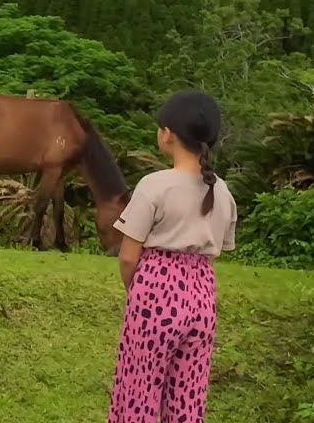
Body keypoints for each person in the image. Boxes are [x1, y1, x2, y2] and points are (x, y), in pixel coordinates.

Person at [106, 90, 238, 423]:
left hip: (155, 291)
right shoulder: (222, 190)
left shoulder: (154, 185)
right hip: (202, 294)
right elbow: (218, 247)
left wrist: (137, 292)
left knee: (139, 390)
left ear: (167, 133)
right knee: (188, 394)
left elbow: (127, 256)